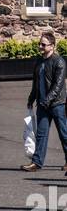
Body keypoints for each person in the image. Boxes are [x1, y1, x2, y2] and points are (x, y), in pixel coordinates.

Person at [22, 30, 67, 173]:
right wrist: (31, 98)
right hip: (43, 104)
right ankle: (36, 163)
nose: (40, 46)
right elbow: (36, 82)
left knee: (64, 134)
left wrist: (47, 101)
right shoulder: (39, 61)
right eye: (39, 44)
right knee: (41, 135)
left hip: (57, 104)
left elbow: (58, 86)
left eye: (43, 44)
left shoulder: (59, 62)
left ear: (52, 46)